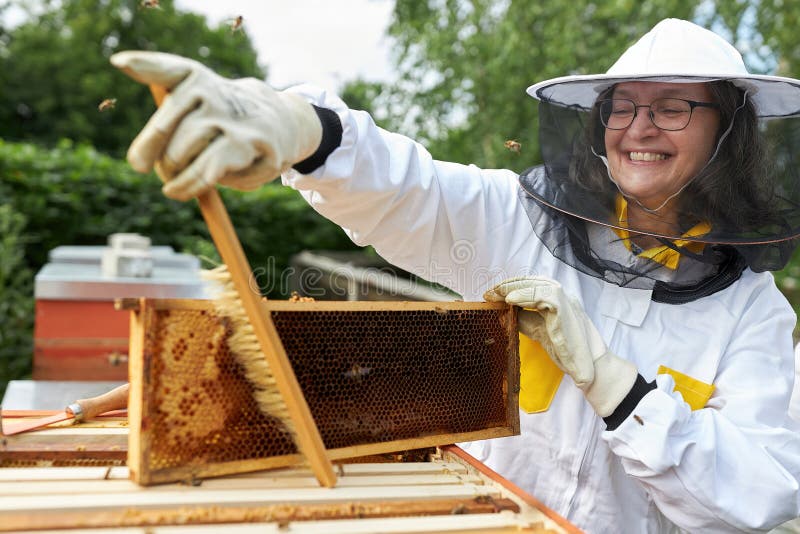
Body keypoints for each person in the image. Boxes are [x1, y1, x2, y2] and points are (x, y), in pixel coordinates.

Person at [111, 18, 800, 533]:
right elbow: (408, 191)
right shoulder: (517, 221)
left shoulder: (753, 314)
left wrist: (615, 385)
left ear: (727, 130)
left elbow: (754, 499)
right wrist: (299, 126)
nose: (638, 128)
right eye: (623, 105)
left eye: (673, 107)